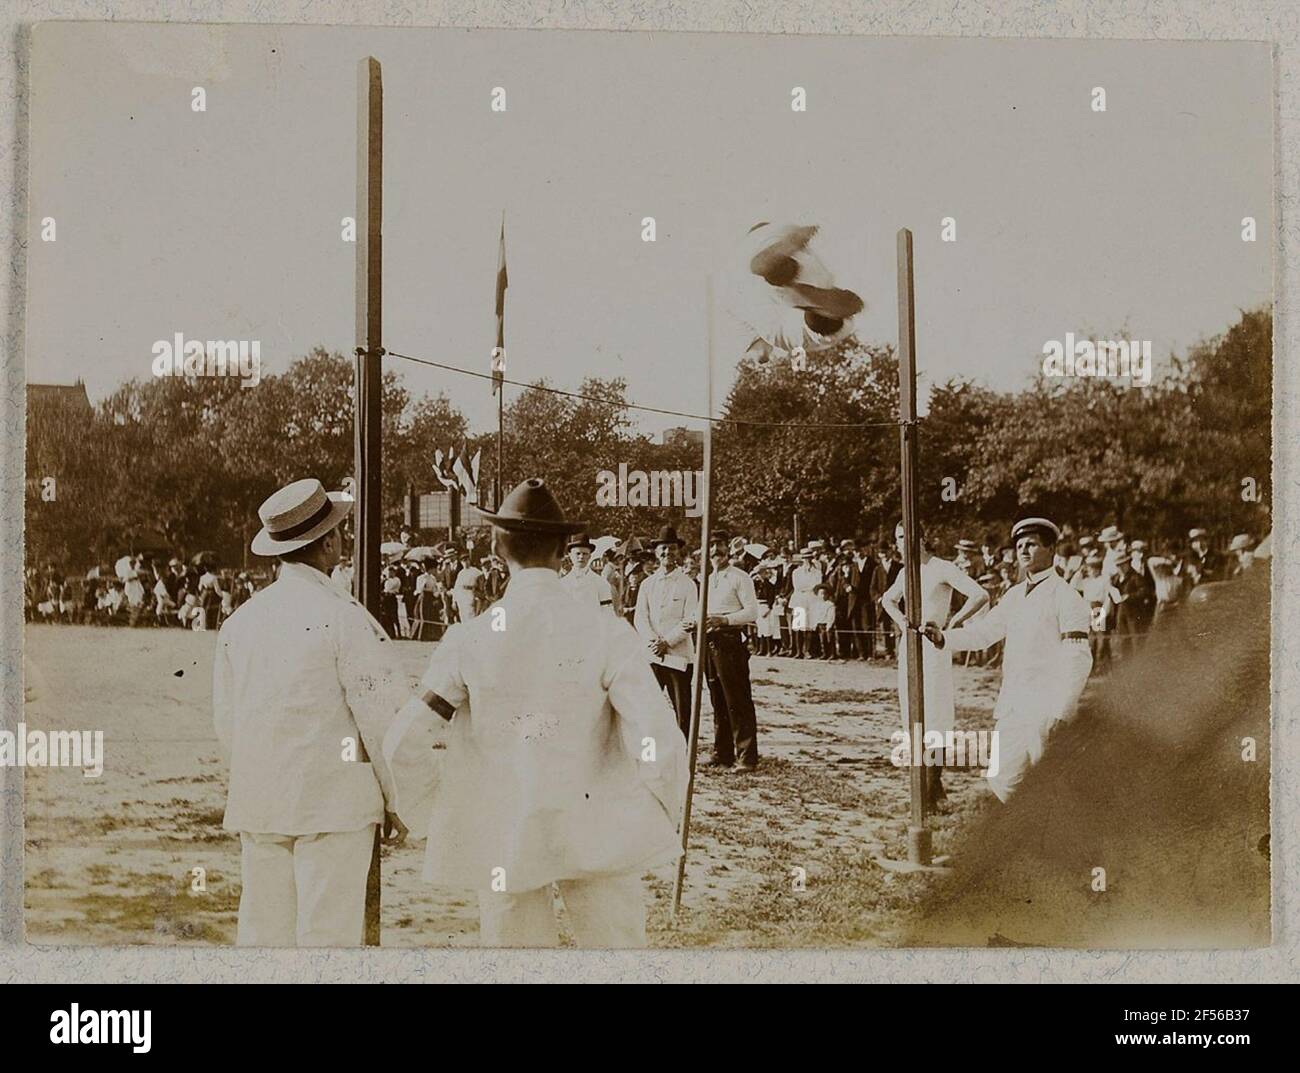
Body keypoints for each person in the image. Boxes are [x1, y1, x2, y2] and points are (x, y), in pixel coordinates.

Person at [383, 477, 685, 947]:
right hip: (598, 831)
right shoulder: (607, 631)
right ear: (565, 548)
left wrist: (434, 814)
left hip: (507, 835)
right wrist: (653, 812)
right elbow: (659, 740)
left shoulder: (471, 637)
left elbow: (404, 739)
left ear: (497, 545)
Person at [212, 477, 409, 946]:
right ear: (331, 543)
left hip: (262, 801)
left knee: (263, 939)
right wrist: (400, 799)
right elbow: (383, 718)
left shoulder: (241, 622)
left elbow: (229, 724)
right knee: (328, 941)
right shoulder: (344, 617)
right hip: (333, 807)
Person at [922, 517, 1093, 801]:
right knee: (1001, 777)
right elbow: (986, 632)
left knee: (1053, 781)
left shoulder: (1067, 596)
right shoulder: (1014, 596)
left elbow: (1077, 658)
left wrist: (1061, 711)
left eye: (1032, 545)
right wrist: (945, 638)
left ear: (1051, 550)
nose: (1024, 551)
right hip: (1014, 704)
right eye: (1020, 545)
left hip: (1045, 706)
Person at [881, 521, 989, 806]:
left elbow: (980, 594)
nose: (901, 543)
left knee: (936, 713)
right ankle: (931, 785)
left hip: (934, 644)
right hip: (910, 645)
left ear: (921, 537)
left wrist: (954, 622)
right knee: (912, 710)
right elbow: (886, 600)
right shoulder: (906, 572)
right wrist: (901, 621)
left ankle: (930, 787)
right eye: (898, 538)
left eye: (905, 536)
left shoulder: (942, 567)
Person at [693, 529, 760, 772]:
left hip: (730, 641)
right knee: (717, 699)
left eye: (719, 546)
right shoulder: (706, 579)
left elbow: (752, 612)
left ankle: (746, 756)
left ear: (728, 549)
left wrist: (725, 620)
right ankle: (722, 753)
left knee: (737, 700)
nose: (715, 551)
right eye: (710, 547)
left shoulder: (740, 577)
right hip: (709, 643)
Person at [634, 525, 698, 738]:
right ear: (656, 552)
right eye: (662, 549)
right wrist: (654, 642)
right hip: (653, 655)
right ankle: (649, 752)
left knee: (682, 710)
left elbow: (690, 620)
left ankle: (682, 753)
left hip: (678, 655)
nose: (667, 553)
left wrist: (667, 642)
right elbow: (640, 617)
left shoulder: (688, 584)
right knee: (648, 706)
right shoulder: (647, 584)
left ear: (678, 551)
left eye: (671, 549)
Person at [560, 534, 615, 611]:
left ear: (590, 556)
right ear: (570, 555)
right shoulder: (562, 584)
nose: (581, 557)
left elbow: (608, 613)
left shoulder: (600, 582)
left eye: (585, 554)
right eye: (578, 553)